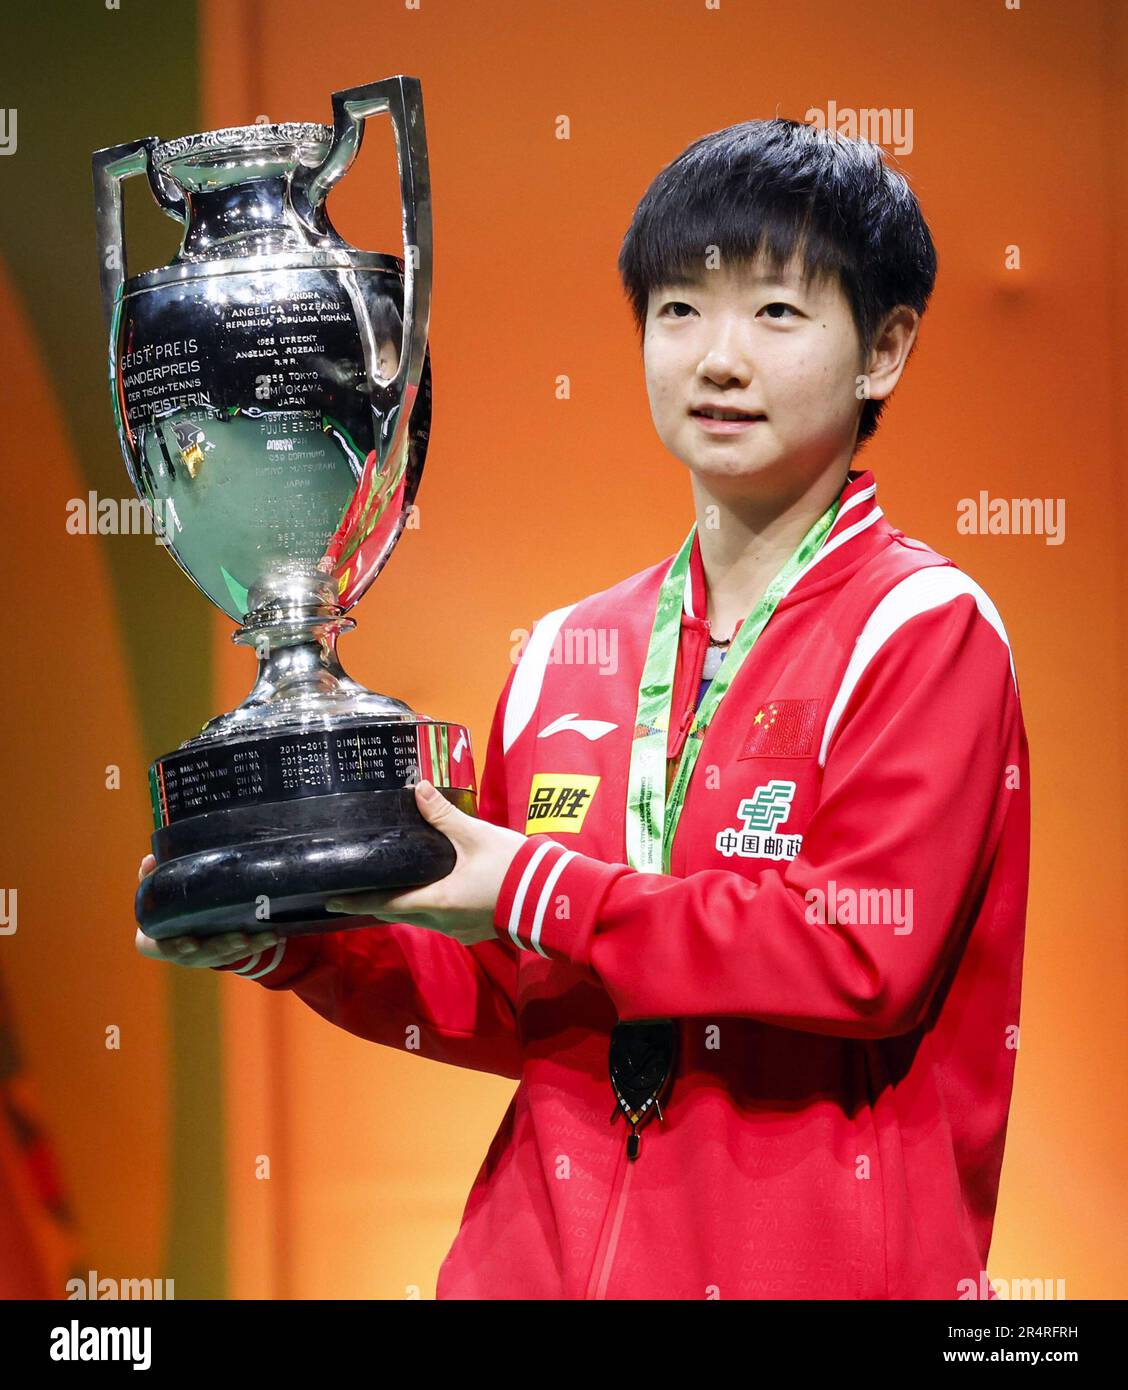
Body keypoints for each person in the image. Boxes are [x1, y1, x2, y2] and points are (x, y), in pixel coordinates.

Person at [137, 118, 1029, 1300]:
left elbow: (857, 952)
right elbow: (511, 991)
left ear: (886, 349)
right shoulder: (569, 650)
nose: (718, 358)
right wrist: (291, 940)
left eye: (775, 311)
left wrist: (527, 884)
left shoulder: (923, 630)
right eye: (677, 310)